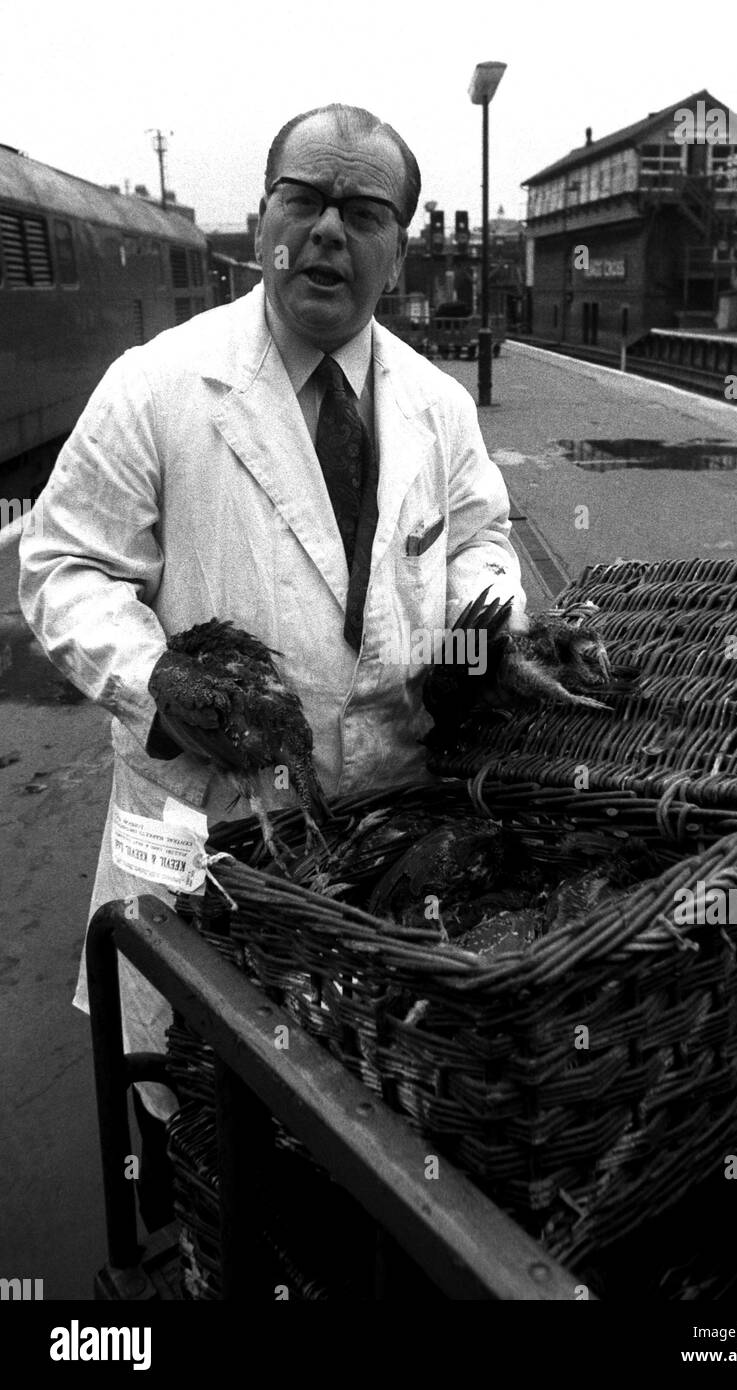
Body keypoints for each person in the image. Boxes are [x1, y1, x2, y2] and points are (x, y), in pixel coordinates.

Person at [18, 104, 526, 1188]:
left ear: (401, 242)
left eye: (362, 208)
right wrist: (149, 674)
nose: (329, 229)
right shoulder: (158, 385)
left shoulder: (436, 407)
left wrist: (476, 621)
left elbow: (483, 536)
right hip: (199, 826)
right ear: (262, 222)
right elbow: (61, 568)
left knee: (356, 1123)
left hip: (382, 836)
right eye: (304, 198)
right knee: (203, 1120)